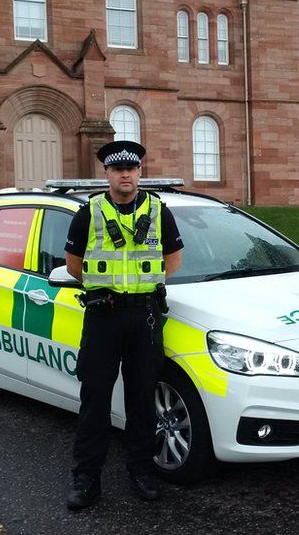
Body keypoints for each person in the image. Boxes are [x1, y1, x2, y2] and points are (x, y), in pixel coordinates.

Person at [63, 140, 184, 510]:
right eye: (118, 169)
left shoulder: (159, 212)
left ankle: (141, 471)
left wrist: (142, 287)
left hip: (144, 316)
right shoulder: (89, 213)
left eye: (131, 168)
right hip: (103, 315)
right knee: (95, 399)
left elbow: (173, 259)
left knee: (142, 399)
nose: (125, 175)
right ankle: (86, 478)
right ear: (107, 174)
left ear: (140, 172)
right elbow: (73, 264)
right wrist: (106, 288)